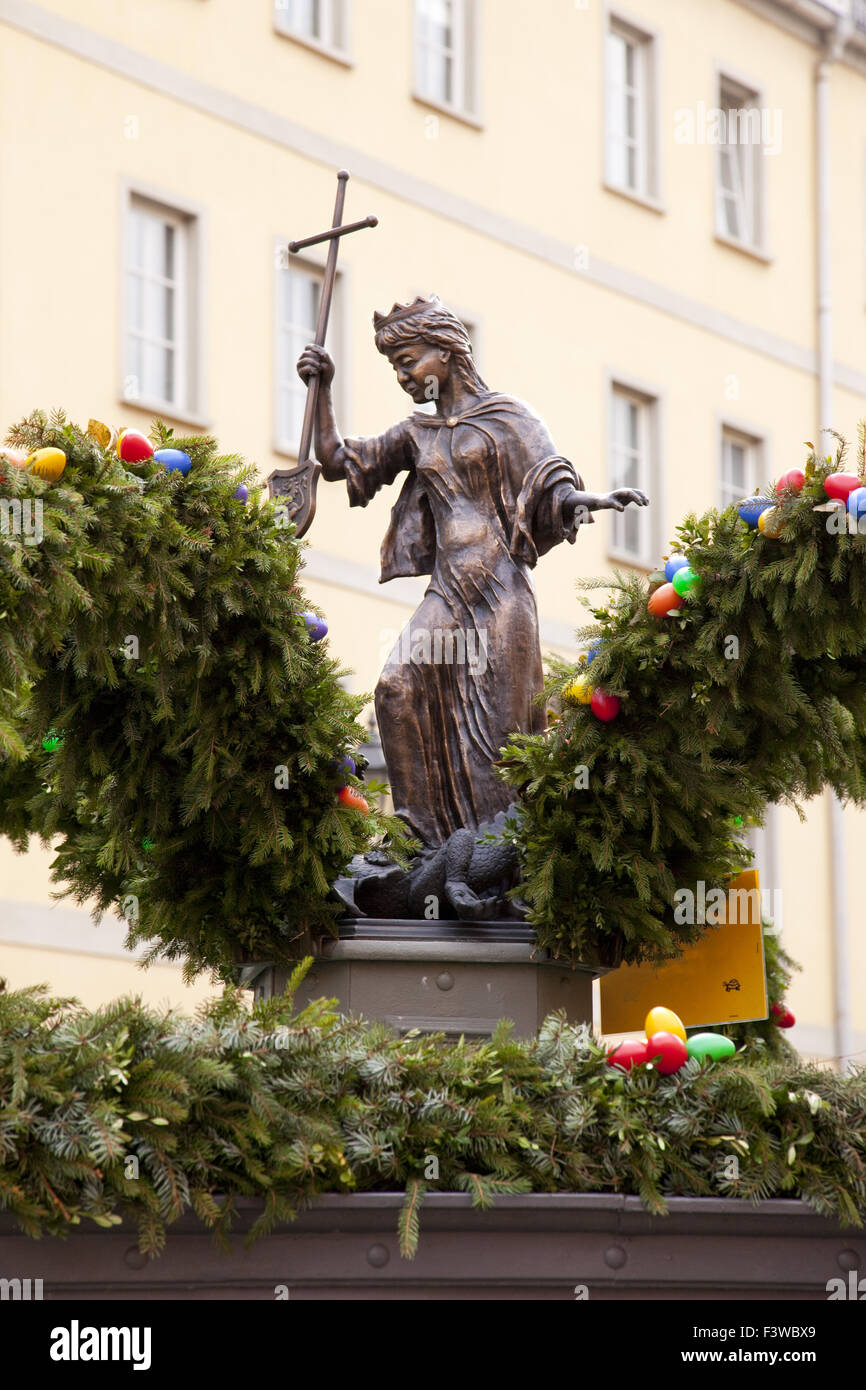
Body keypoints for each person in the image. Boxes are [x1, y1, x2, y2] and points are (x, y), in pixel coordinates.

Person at [297, 295, 647, 847]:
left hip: (501, 593)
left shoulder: (510, 416)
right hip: (449, 590)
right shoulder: (417, 434)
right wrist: (321, 390)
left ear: (446, 349)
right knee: (395, 689)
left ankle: (500, 853)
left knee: (502, 738)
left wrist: (595, 500)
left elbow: (552, 490)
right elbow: (338, 461)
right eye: (395, 367)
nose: (403, 376)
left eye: (409, 360)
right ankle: (415, 836)